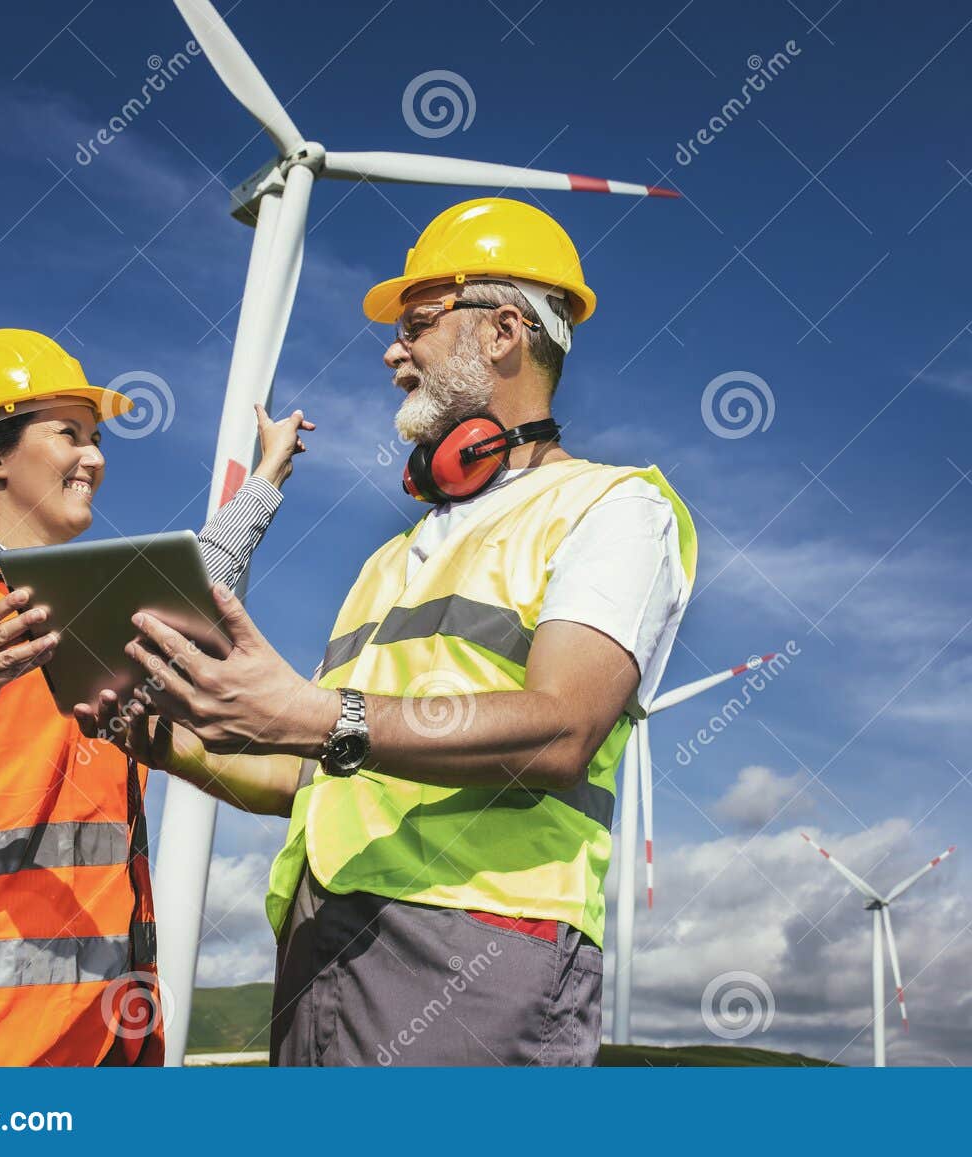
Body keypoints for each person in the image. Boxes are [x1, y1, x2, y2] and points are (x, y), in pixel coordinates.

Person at [86, 198, 698, 1066]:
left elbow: (563, 727)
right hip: (319, 940)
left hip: (474, 944)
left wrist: (312, 713)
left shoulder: (613, 507)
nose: (390, 352)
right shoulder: (388, 560)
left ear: (504, 330)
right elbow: (314, 772)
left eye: (416, 324)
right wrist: (174, 744)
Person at [0, 328, 312, 1066]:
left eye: (97, 438)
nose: (96, 457)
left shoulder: (77, 602)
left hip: (94, 1040)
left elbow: (193, 582)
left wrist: (265, 478)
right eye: (68, 434)